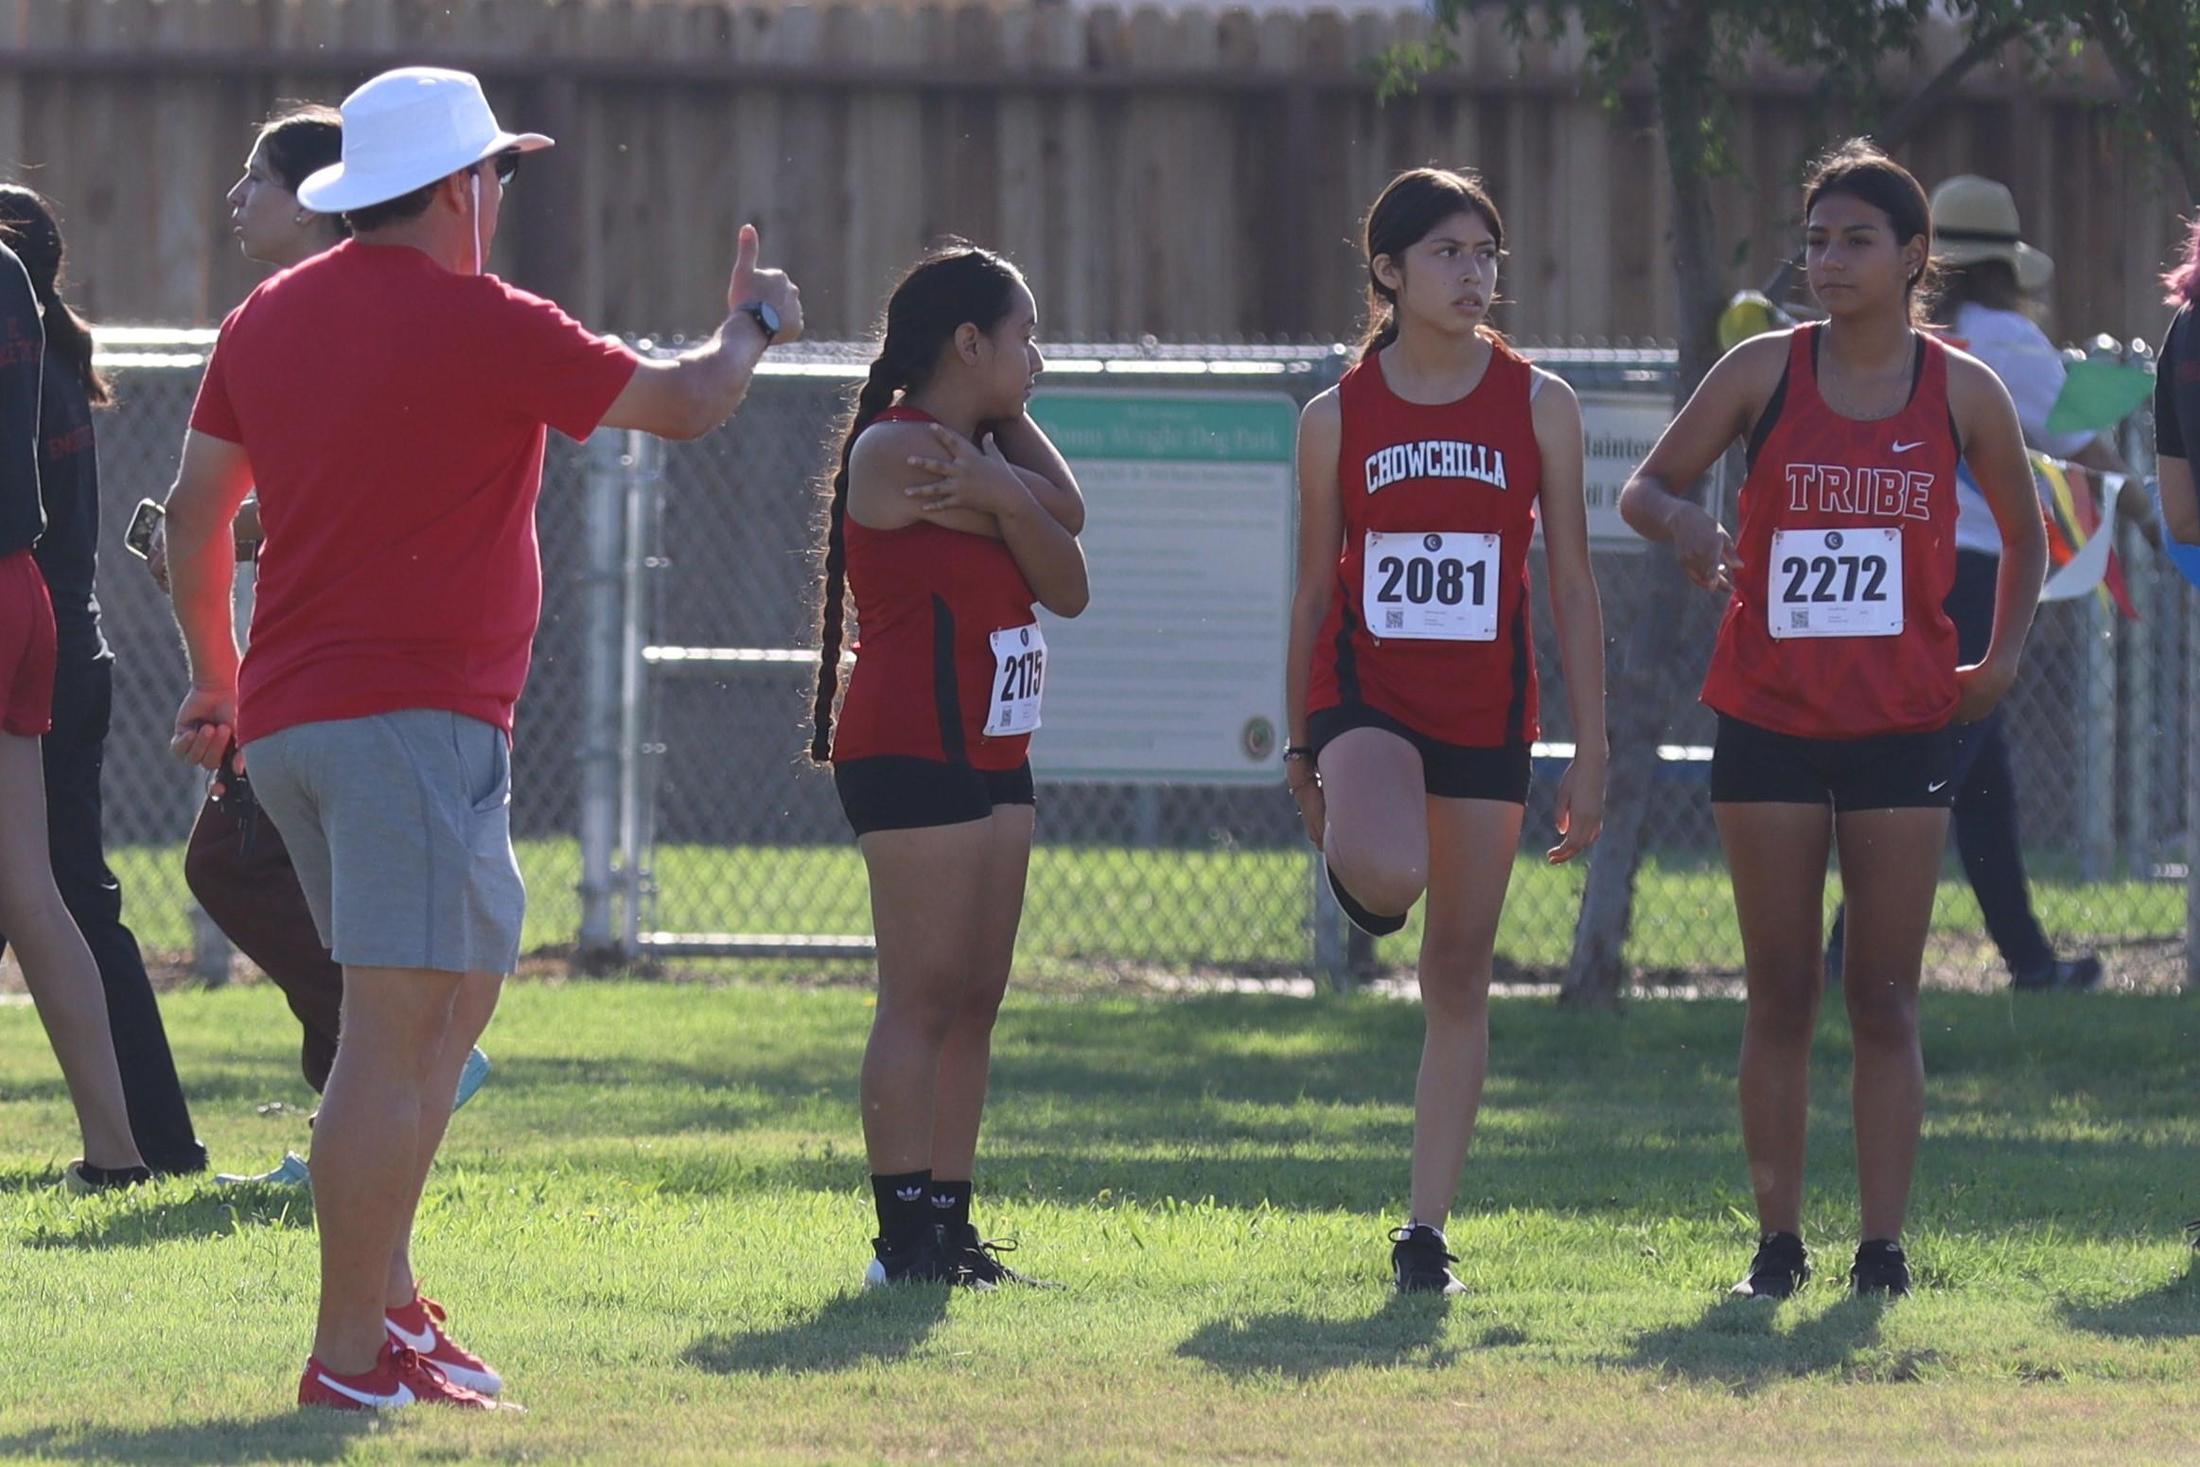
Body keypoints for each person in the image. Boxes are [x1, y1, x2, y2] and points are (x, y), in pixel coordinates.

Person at [163, 66, 802, 1410]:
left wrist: (220, 679)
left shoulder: (265, 319)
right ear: (461, 187)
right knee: (392, 1036)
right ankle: (347, 1362)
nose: (503, 194)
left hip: (314, 729)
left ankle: (388, 1309)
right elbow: (690, 400)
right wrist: (750, 324)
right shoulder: (482, 319)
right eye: (499, 172)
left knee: (443, 1010)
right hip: (407, 731)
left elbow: (196, 512)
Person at [1621, 141, 2045, 1300]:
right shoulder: (1763, 370)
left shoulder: (1961, 388)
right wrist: (1688, 529)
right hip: (1765, 720)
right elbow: (1643, 487)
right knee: (1780, 994)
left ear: (1915, 258)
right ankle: (1775, 1245)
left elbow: (2027, 532)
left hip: (1904, 726)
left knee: (1883, 993)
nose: (1827, 260)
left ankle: (1882, 1249)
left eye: (1855, 240)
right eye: (1813, 240)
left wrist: (1998, 656)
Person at [1285, 168, 1606, 1294]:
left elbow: (1568, 580)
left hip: (1485, 713)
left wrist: (1591, 747)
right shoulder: (1337, 415)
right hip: (1367, 697)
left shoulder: (1539, 403)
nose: (1473, 275)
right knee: (1387, 871)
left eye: (1486, 255)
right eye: (1447, 254)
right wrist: (1299, 746)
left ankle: (1423, 1233)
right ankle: (1364, 859)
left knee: (1456, 974)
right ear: (1388, 270)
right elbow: (1316, 591)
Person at [156, 104, 488, 1188]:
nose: (234, 200)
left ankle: (385, 1083)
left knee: (247, 868)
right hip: (317, 678)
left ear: (321, 194)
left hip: (358, 683)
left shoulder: (355, 313)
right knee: (256, 869)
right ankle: (370, 1088)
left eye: (256, 178)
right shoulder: (278, 320)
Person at [810, 245, 1086, 1288]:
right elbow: (1047, 518)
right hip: (908, 743)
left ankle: (950, 1224)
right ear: (965, 343)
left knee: (976, 997)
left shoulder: (980, 448)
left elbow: (1070, 566)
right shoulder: (895, 451)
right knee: (919, 995)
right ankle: (901, 1241)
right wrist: (1007, 493)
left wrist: (1002, 445)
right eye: (1022, 338)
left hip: (994, 744)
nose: (1038, 358)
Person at [1824, 173, 2154, 994]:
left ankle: (2030, 961)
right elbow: (2081, 444)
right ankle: (1839, 956)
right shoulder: (2005, 338)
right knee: (1931, 769)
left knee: (1979, 780)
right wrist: (2161, 523)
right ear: (2007, 264)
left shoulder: (1898, 334)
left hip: (1886, 566)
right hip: (1970, 571)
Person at [0, 186, 206, 1175]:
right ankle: (137, 1143)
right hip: (58, 642)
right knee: (59, 896)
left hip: (34, 646)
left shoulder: (30, 363)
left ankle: (146, 1141)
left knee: (64, 898)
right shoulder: (52, 356)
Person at [0, 231, 150, 1194]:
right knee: (31, 890)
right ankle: (115, 1154)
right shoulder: (9, 270)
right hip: (22, 593)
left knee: (34, 889)